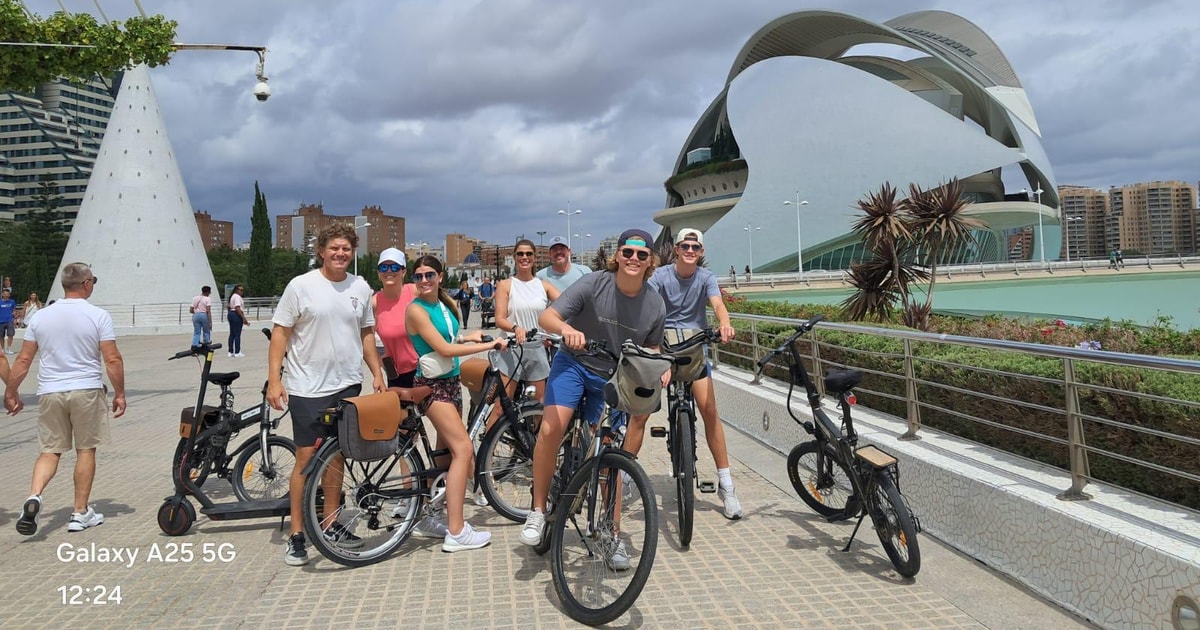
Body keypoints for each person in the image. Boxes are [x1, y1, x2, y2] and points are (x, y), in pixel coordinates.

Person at [524, 228, 667, 564]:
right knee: (550, 429)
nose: (633, 259)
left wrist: (660, 367)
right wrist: (567, 330)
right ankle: (537, 509)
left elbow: (653, 346)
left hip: (615, 376)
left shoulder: (654, 303)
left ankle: (611, 534)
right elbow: (548, 315)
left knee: (610, 459)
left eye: (641, 255)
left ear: (650, 262)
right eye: (627, 252)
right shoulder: (594, 283)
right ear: (617, 255)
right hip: (574, 364)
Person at [267, 224, 386, 567]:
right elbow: (280, 334)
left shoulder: (360, 286)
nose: (340, 254)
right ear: (321, 251)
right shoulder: (301, 286)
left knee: (337, 457)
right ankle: (298, 534)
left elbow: (366, 334)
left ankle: (332, 524)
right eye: (334, 248)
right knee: (306, 460)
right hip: (307, 388)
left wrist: (376, 373)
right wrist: (274, 380)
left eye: (346, 249)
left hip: (347, 384)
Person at [6, 263, 126, 535]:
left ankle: (34, 495)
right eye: (92, 280)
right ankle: (80, 513)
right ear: (85, 284)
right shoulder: (98, 315)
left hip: (50, 391)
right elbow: (112, 358)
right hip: (86, 390)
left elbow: (24, 359)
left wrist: (11, 392)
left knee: (50, 451)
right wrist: (120, 393)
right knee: (85, 450)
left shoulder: (40, 317)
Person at [638, 228, 743, 519]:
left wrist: (724, 324)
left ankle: (727, 485)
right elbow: (652, 309)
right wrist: (654, 348)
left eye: (695, 247)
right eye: (685, 245)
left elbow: (718, 305)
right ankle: (624, 474)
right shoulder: (660, 276)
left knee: (709, 410)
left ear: (701, 252)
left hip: (694, 347)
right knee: (642, 409)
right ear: (677, 248)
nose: (690, 250)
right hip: (664, 346)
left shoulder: (705, 278)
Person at [405, 254, 504, 552]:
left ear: (440, 276)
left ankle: (429, 515)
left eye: (429, 275)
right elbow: (444, 348)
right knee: (464, 449)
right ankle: (457, 531)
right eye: (419, 276)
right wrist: (490, 343)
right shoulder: (416, 310)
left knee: (445, 452)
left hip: (450, 382)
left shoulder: (443, 305)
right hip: (432, 387)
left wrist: (470, 336)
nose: (424, 281)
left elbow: (451, 336)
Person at [492, 239, 561, 421]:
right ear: (514, 257)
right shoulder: (506, 285)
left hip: (536, 348)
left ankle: (533, 448)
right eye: (520, 254)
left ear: (535, 258)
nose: (524, 257)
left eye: (529, 254)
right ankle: (485, 448)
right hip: (512, 348)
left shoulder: (543, 285)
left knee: (539, 406)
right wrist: (515, 328)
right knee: (501, 406)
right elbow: (499, 318)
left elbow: (565, 304)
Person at [373, 247, 418, 388]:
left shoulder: (415, 292)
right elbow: (365, 339)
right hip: (396, 375)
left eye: (395, 267)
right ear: (379, 273)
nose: (389, 271)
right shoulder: (374, 303)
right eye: (384, 267)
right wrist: (378, 371)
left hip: (425, 370)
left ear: (403, 272)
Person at [227, 285, 246, 358]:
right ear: (236, 290)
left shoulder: (232, 296)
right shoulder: (237, 297)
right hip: (236, 314)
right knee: (237, 334)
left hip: (231, 314)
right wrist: (243, 318)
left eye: (242, 290)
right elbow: (237, 307)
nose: (241, 291)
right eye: (240, 290)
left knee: (232, 334)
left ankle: (230, 351)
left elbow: (229, 306)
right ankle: (237, 352)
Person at [0, 289, 15, 353]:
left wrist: (14, 315)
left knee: (10, 335)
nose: (6, 295)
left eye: (7, 294)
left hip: (9, 320)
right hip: (1, 321)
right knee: (1, 336)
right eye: (5, 294)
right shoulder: (0, 302)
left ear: (9, 295)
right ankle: (2, 349)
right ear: (2, 294)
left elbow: (14, 309)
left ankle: (8, 348)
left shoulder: (12, 302)